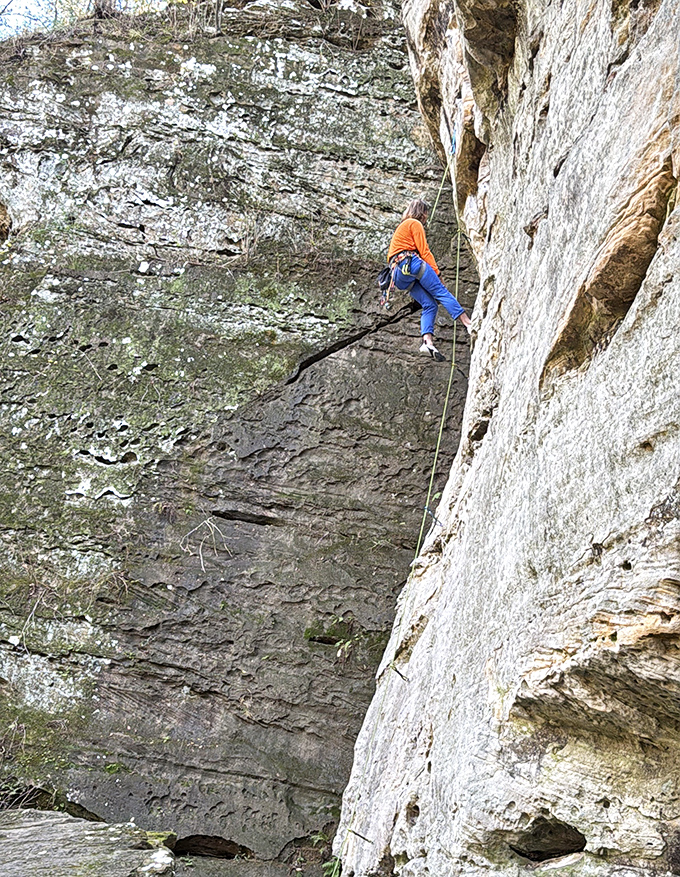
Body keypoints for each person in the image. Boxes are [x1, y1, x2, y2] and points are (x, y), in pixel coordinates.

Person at [387, 198, 471, 361]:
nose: (427, 217)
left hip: (398, 276)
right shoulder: (414, 223)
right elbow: (424, 251)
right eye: (426, 213)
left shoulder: (400, 228)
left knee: (429, 304)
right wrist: (438, 274)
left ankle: (427, 342)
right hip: (410, 263)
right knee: (441, 292)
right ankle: (468, 324)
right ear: (422, 213)